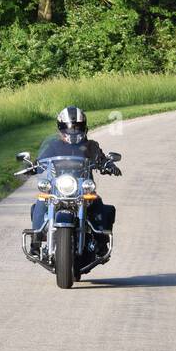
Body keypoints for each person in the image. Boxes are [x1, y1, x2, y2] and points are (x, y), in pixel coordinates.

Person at [30, 106, 120, 248]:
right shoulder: (54, 145)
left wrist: (108, 164)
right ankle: (35, 241)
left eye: (77, 127)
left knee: (99, 206)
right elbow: (41, 161)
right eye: (69, 127)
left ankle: (102, 242)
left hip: (83, 189)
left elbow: (100, 158)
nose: (72, 131)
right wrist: (32, 166)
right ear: (61, 128)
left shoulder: (91, 145)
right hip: (57, 188)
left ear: (84, 127)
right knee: (41, 201)